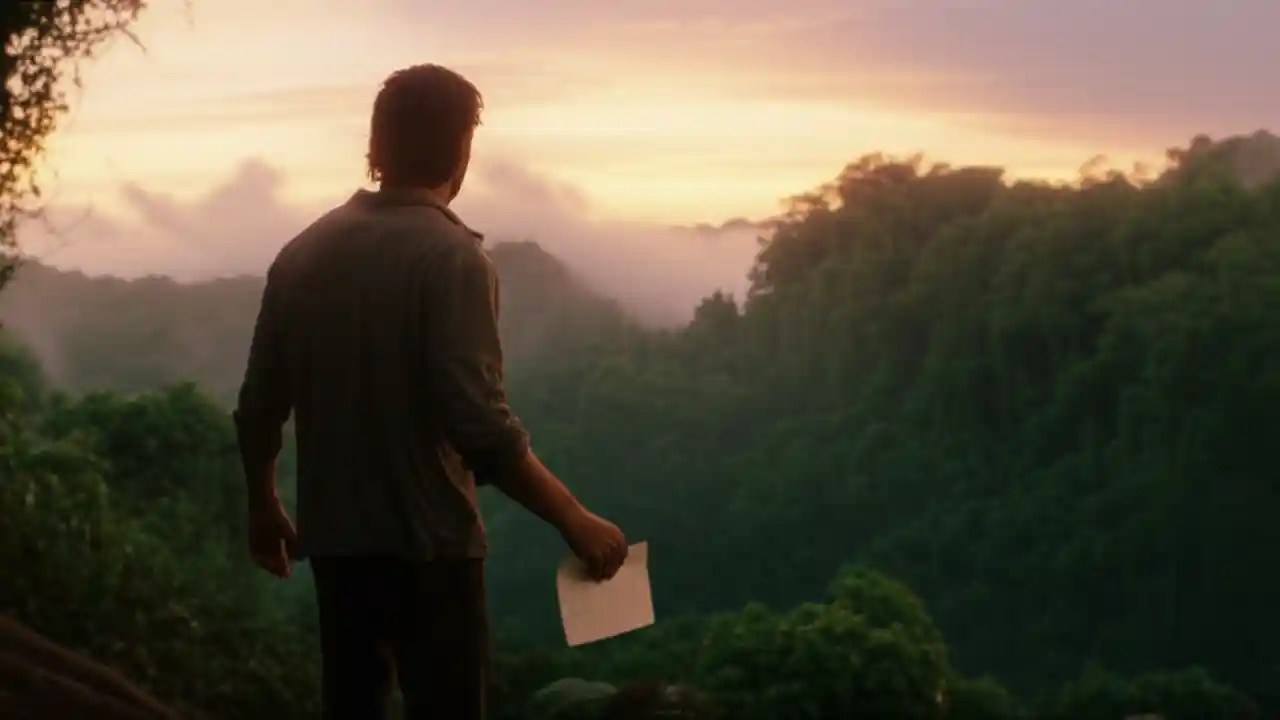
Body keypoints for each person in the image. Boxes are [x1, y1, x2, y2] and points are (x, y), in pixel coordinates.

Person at [233, 63, 629, 720]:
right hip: (432, 550)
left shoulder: (303, 253)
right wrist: (573, 518)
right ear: (461, 149)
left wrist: (263, 502)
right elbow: (481, 428)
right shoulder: (453, 258)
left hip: (336, 547)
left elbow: (258, 406)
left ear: (376, 145)